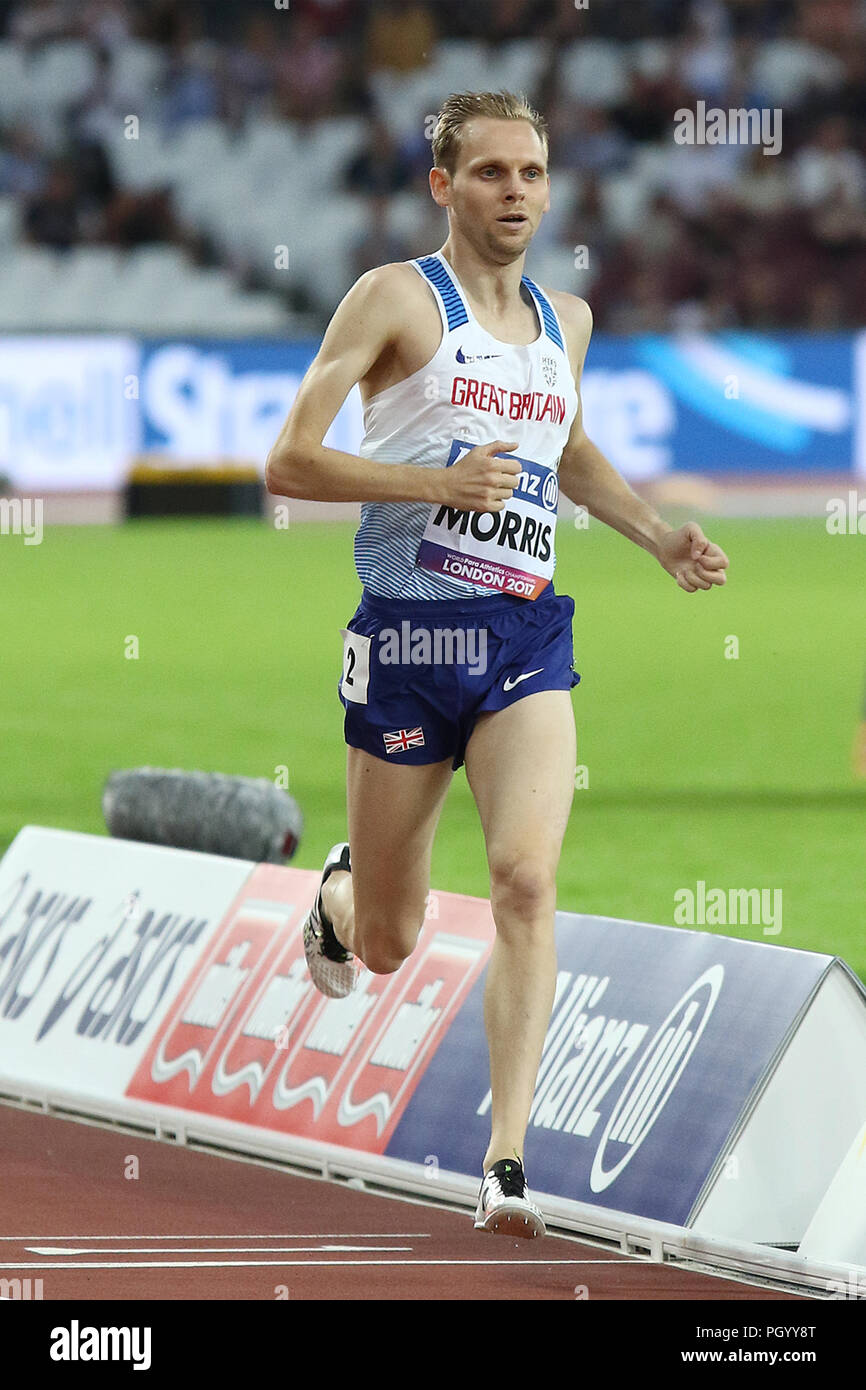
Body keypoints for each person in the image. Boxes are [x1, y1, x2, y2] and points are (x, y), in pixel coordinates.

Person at [265, 90, 729, 1238]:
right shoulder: (391, 301)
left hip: (524, 640)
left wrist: (656, 533)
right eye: (488, 174)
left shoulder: (565, 319)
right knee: (390, 936)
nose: (513, 192)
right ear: (442, 185)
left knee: (523, 878)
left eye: (530, 173)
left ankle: (506, 1162)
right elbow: (288, 461)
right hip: (408, 641)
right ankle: (339, 894)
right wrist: (433, 482)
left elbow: (566, 453)